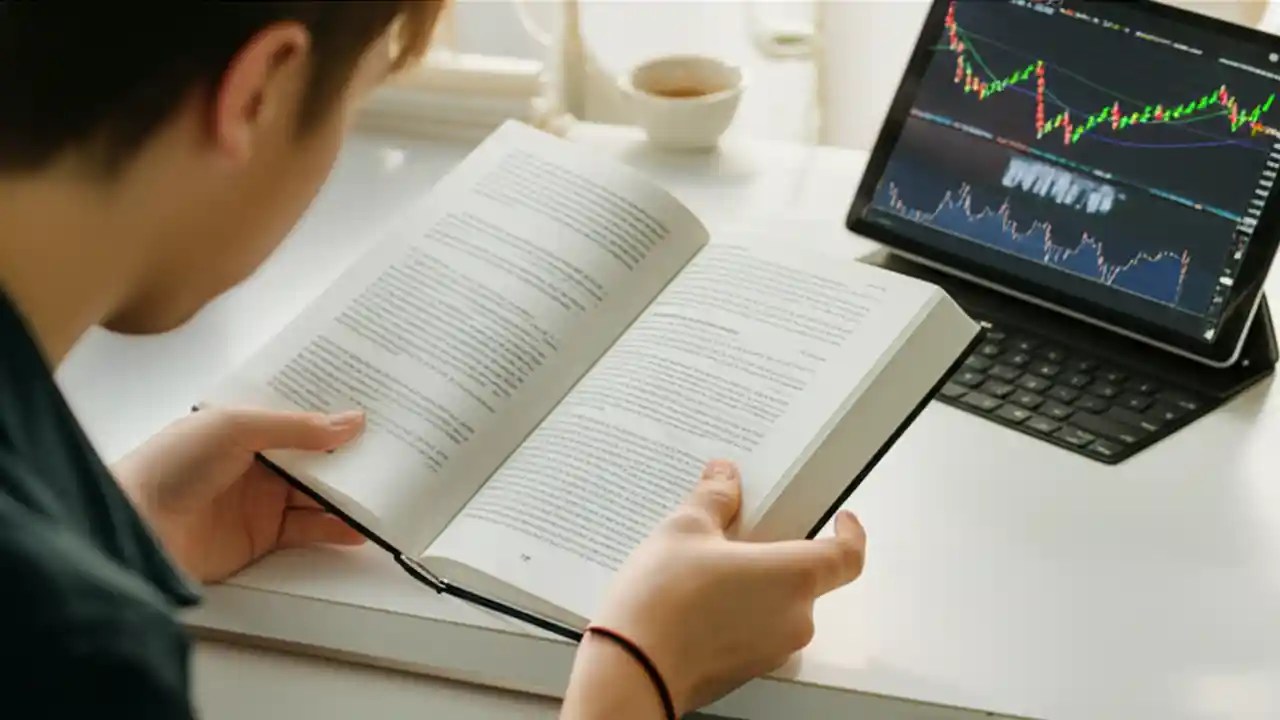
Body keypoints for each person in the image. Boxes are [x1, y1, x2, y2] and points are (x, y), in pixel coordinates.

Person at [0, 2, 867, 718]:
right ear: (260, 89)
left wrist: (121, 522)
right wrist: (634, 678)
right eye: (359, 101)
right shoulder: (81, 656)